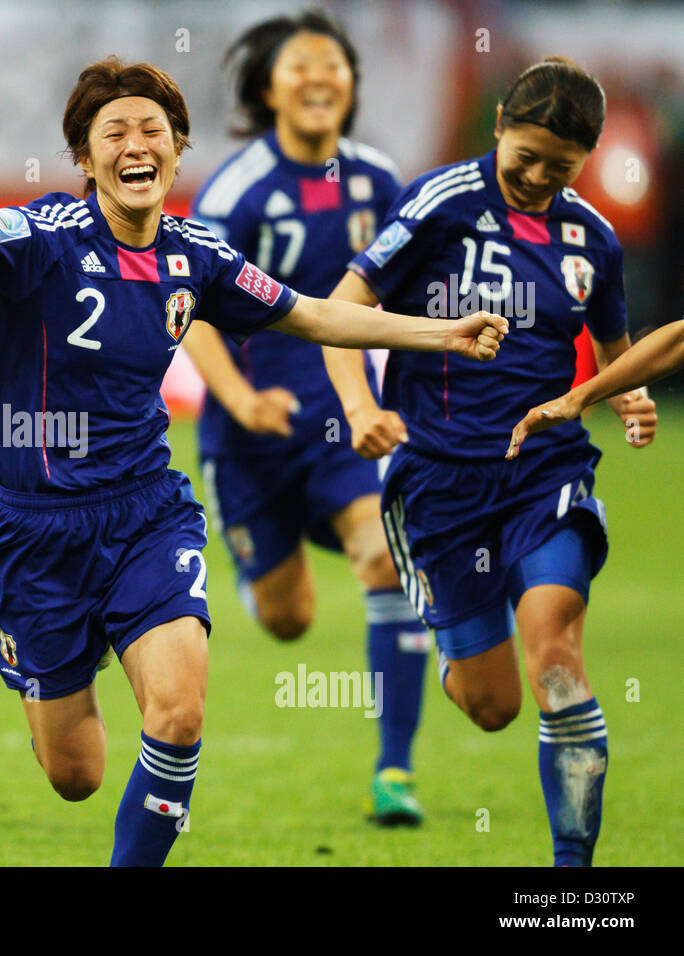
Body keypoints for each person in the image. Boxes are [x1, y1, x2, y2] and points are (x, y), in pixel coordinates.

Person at [0, 56, 506, 866]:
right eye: (115, 133)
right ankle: (72, 654)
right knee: (76, 774)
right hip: (37, 533)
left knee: (177, 713)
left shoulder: (196, 256)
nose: (137, 145)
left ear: (176, 149)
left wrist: (439, 331)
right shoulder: (44, 237)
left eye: (153, 131)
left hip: (145, 516)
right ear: (86, 159)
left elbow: (310, 316)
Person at [323, 56, 658, 866]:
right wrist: (363, 409)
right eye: (526, 158)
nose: (539, 177)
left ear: (587, 159)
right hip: (438, 481)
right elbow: (341, 309)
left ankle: (570, 880)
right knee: (492, 705)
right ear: (500, 125)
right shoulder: (441, 204)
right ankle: (462, 648)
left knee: (556, 655)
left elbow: (613, 351)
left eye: (561, 167)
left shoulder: (593, 239)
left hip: (544, 469)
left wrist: (625, 395)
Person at [183, 10, 430, 824]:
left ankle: (394, 772)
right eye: (301, 67)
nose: (320, 78)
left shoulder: (378, 183)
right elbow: (195, 309)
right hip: (246, 429)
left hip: (346, 413)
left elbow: (412, 297)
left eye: (334, 65)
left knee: (387, 562)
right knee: (289, 621)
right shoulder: (237, 188)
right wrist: (242, 398)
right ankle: (286, 548)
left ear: (353, 84)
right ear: (267, 87)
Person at [508, 318, 678, 455]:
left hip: (554, 466)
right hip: (487, 450)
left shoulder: (599, 275)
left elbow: (679, 342)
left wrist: (575, 400)